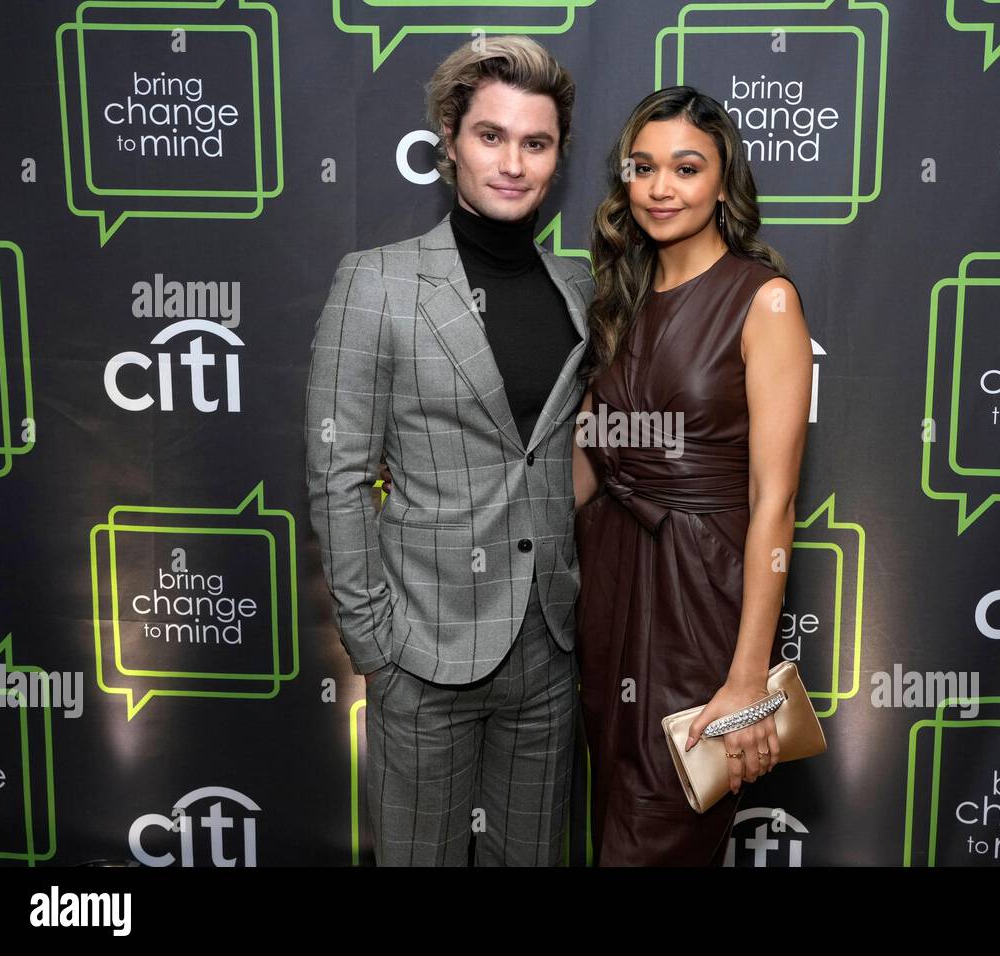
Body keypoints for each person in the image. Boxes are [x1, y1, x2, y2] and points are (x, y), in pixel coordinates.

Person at [304, 36, 592, 866]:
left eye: (535, 143)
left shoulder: (576, 287)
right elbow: (340, 473)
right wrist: (374, 644)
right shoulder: (376, 282)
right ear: (450, 143)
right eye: (490, 136)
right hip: (420, 651)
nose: (513, 162)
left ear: (557, 157)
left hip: (545, 651)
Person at [572, 86, 813, 866]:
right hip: (607, 587)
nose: (661, 187)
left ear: (722, 182)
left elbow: (773, 504)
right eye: (643, 168)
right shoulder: (614, 302)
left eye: (686, 167)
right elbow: (585, 463)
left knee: (660, 824)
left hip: (699, 593)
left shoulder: (763, 300)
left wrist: (750, 681)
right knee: (611, 808)